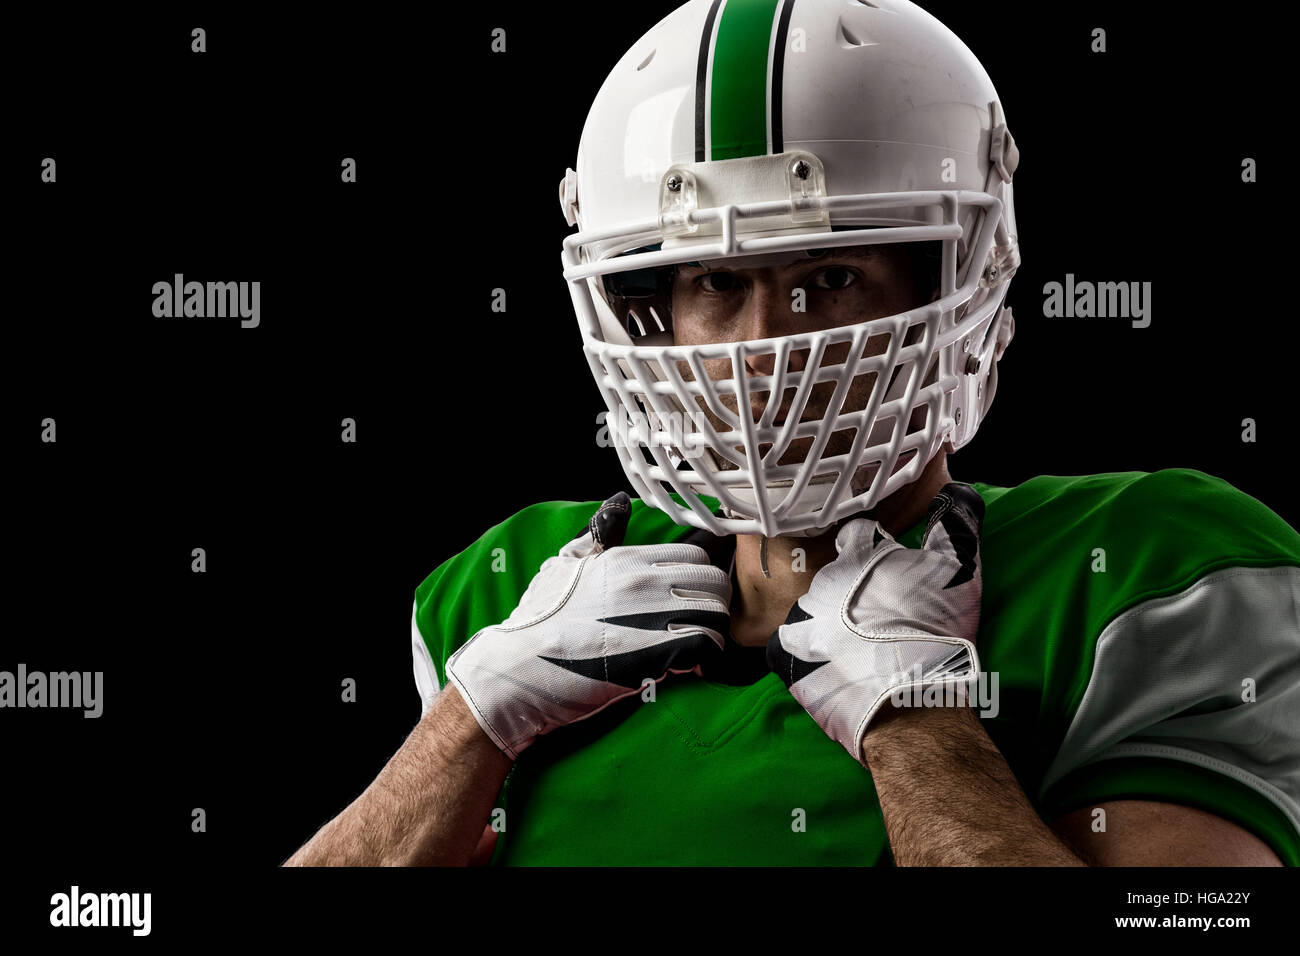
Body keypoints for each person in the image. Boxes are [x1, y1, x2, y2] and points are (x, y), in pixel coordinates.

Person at [284, 0, 1299, 866]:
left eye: (830, 277)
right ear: (650, 309)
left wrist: (917, 721)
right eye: (717, 282)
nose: (765, 344)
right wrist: (472, 718)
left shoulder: (1141, 570)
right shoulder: (506, 587)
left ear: (958, 284)